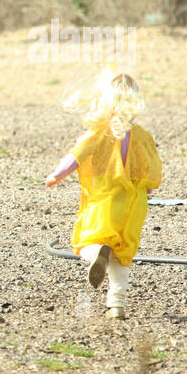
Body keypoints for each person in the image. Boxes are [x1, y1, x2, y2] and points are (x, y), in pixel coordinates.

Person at [45, 69, 161, 319]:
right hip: (134, 204)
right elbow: (151, 169)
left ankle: (96, 253)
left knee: (86, 241)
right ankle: (116, 305)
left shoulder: (98, 133)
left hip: (105, 200)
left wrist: (56, 176)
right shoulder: (143, 136)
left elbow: (76, 156)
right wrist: (147, 189)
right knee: (122, 254)